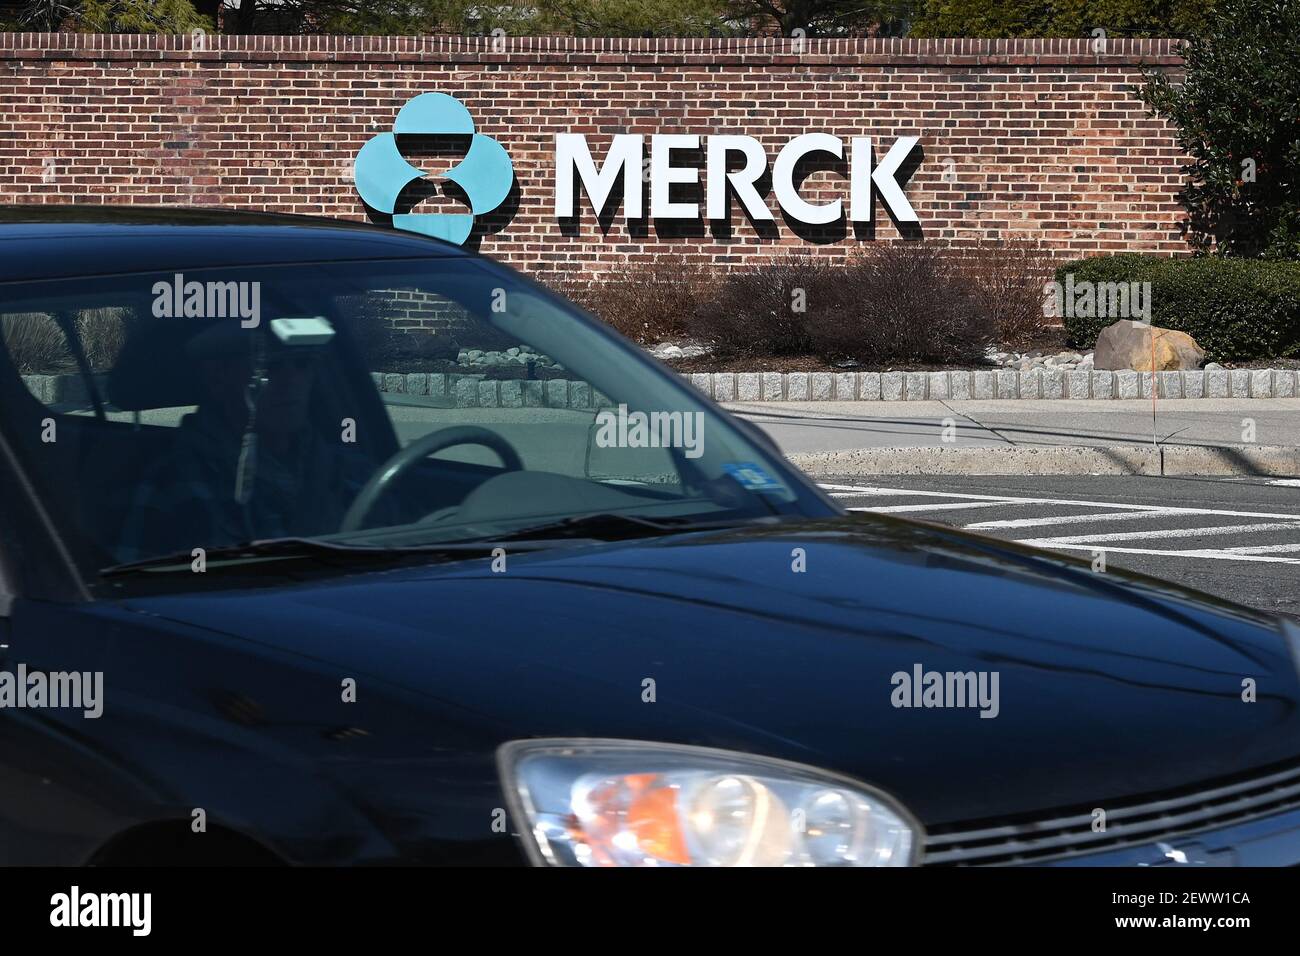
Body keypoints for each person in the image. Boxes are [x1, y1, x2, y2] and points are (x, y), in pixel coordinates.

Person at [117, 322, 378, 563]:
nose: (291, 381)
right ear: (218, 379)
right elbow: (134, 596)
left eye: (302, 363)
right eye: (268, 368)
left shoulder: (350, 470)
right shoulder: (175, 484)